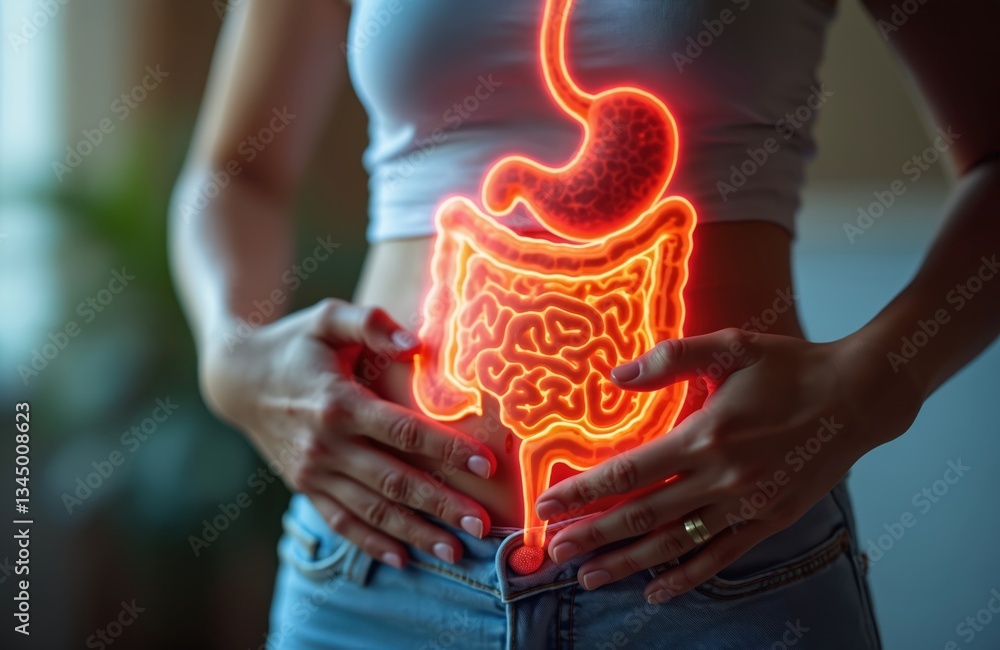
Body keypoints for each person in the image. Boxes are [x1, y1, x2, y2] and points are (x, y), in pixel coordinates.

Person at [168, 0, 998, 647]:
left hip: (717, 564)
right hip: (383, 564)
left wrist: (876, 384)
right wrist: (230, 358)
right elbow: (234, 171)